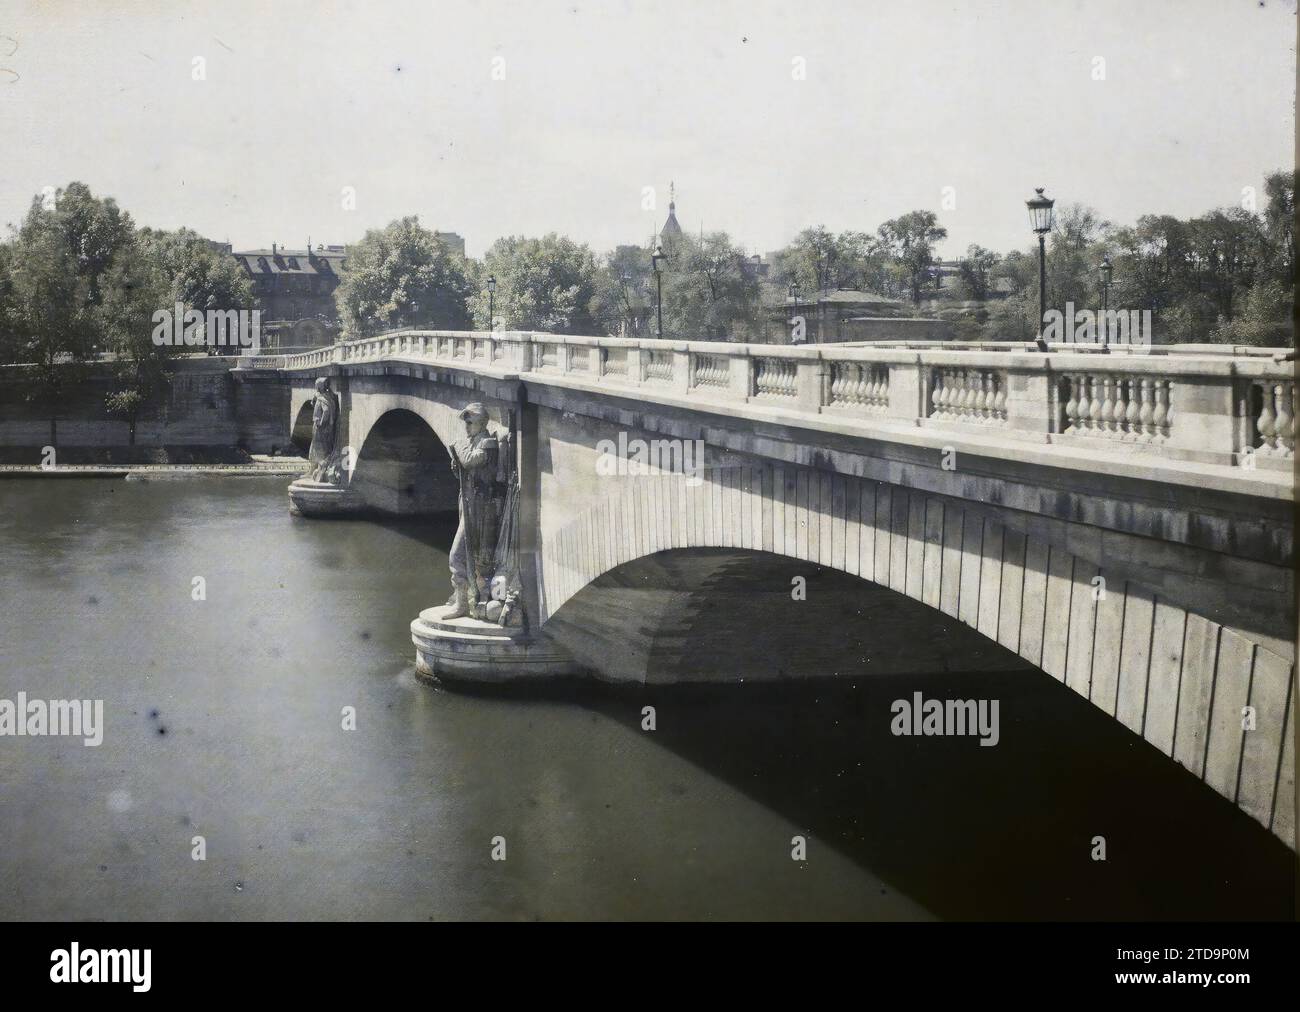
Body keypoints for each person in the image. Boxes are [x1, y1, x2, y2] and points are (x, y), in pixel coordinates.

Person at [446, 403, 500, 618]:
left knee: (457, 555)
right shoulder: (471, 442)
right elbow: (463, 472)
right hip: (468, 504)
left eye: (470, 423)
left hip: (480, 509)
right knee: (471, 555)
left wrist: (458, 448)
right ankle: (466, 599)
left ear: (481, 423)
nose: (466, 427)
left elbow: (469, 461)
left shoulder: (487, 444)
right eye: (466, 423)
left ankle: (463, 603)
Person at [306, 377, 339, 481]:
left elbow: (326, 411)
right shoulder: (329, 397)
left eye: (316, 386)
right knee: (322, 447)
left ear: (319, 387)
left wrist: (320, 423)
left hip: (321, 427)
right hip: (327, 428)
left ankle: (316, 469)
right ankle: (315, 469)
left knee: (317, 447)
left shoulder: (322, 399)